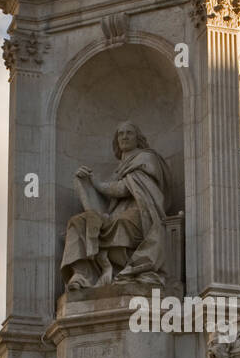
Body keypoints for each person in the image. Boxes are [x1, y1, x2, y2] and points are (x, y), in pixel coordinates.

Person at [61, 122, 171, 289]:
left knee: (122, 223)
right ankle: (82, 275)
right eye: (121, 134)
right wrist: (84, 182)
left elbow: (123, 189)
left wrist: (95, 183)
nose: (124, 136)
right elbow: (106, 201)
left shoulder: (146, 159)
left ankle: (116, 271)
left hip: (141, 215)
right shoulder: (118, 169)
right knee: (78, 222)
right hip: (115, 215)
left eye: (129, 133)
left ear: (138, 138)